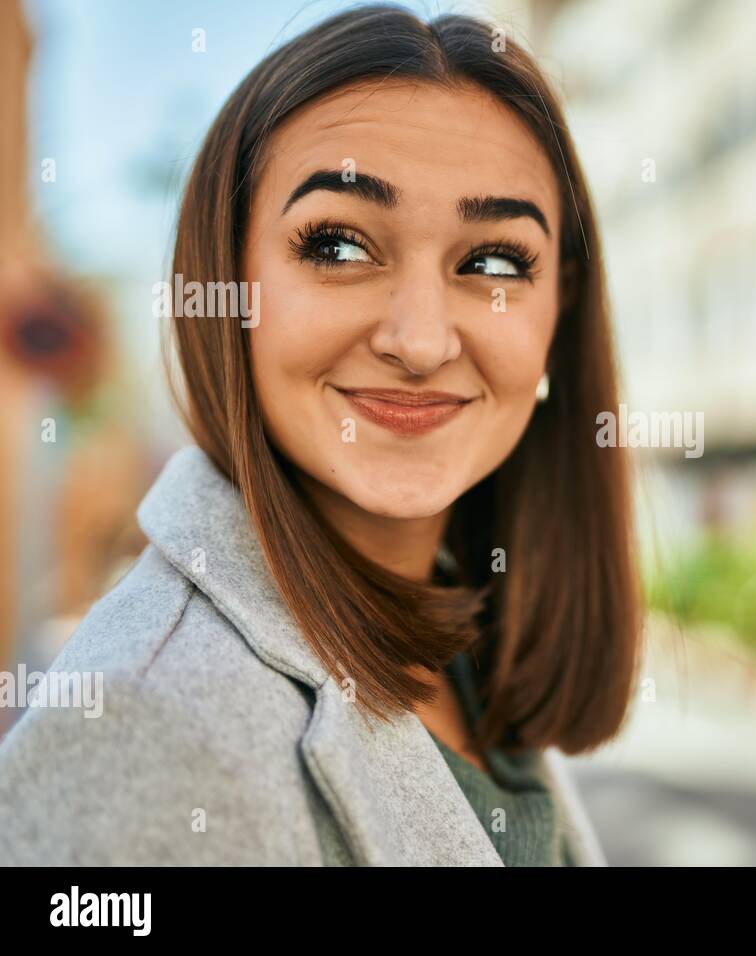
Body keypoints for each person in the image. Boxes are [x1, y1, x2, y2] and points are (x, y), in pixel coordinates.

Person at [0, 4, 642, 866]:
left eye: (492, 262)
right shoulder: (147, 723)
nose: (419, 341)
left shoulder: (464, 642)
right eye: (338, 246)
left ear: (557, 313)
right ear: (230, 289)